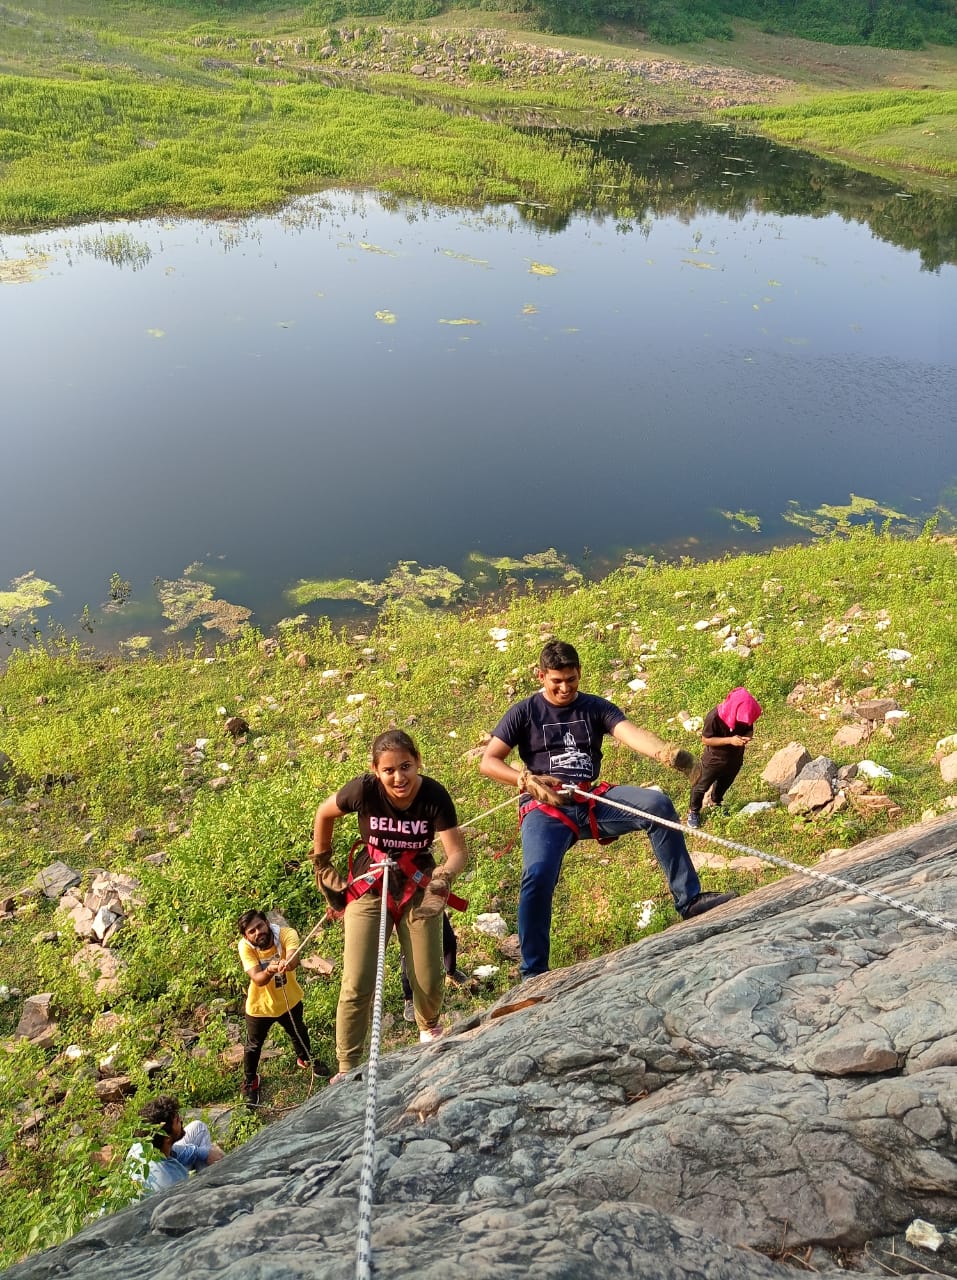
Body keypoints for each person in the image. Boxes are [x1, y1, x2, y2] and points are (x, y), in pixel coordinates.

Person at [480, 639, 736, 979]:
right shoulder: (524, 712)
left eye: (571, 679)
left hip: (591, 801)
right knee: (537, 874)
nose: (564, 687)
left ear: (580, 674)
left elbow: (628, 733)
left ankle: (689, 901)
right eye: (556, 680)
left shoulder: (594, 707)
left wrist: (667, 753)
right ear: (541, 676)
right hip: (546, 808)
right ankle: (533, 970)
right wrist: (525, 781)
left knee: (657, 806)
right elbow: (489, 761)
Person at [312, 729, 468, 1080]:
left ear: (418, 763)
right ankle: (348, 1066)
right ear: (375, 770)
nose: (399, 777)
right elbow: (324, 813)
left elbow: (456, 851)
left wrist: (443, 877)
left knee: (427, 978)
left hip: (417, 887)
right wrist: (322, 862)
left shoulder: (433, 795)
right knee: (358, 980)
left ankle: (428, 1026)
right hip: (370, 887)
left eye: (406, 766)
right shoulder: (364, 790)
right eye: (389, 770)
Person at [237, 908, 314, 1106]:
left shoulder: (286, 934)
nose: (257, 933)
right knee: (253, 1047)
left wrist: (286, 962)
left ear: (266, 922)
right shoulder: (245, 947)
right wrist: (271, 969)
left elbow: (294, 960)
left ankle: (306, 1059)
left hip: (290, 999)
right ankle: (251, 1081)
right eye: (251, 932)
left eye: (259, 926)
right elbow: (258, 979)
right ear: (247, 936)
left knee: (298, 1031)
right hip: (259, 1007)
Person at [687, 687, 762, 828]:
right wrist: (730, 740)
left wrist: (748, 737)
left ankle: (715, 802)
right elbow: (706, 740)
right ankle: (693, 811)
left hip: (735, 758)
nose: (746, 722)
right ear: (735, 709)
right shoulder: (714, 717)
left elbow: (749, 729)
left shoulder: (745, 715)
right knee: (701, 785)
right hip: (714, 759)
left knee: (725, 782)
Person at [126, 1095, 224, 1195]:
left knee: (198, 1128)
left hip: (164, 1169)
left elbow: (176, 1151)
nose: (181, 1119)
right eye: (177, 1120)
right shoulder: (172, 1180)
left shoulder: (143, 1144)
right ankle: (214, 1180)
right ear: (167, 1137)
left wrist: (204, 1153)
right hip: (172, 1195)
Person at [400, 912, 466, 1022]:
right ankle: (410, 998)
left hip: (430, 899)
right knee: (409, 951)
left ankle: (450, 971)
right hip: (404, 904)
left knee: (448, 939)